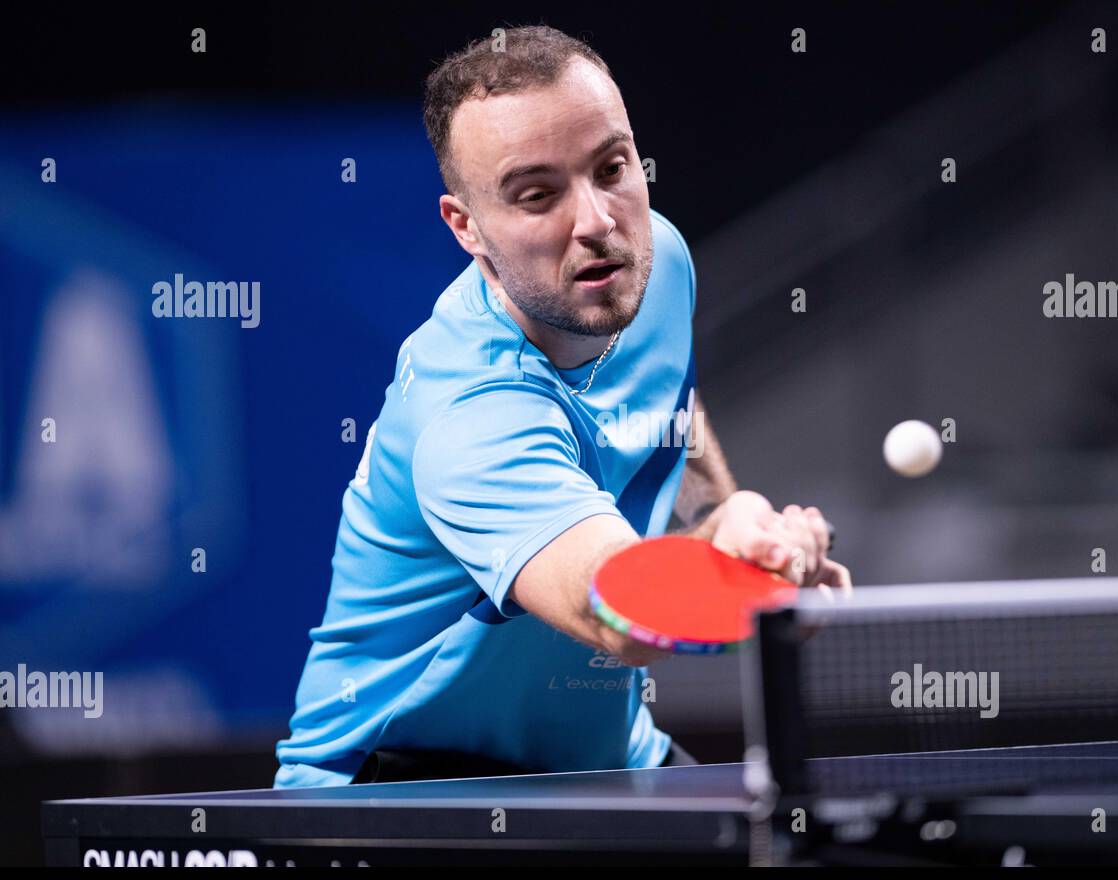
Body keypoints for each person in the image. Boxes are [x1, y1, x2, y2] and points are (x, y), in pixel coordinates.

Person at [274, 25, 850, 788]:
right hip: (399, 789)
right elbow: (618, 613)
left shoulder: (654, 266)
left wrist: (733, 520)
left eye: (611, 169)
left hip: (602, 761)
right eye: (538, 195)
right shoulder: (472, 417)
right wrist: (724, 560)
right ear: (466, 226)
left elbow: (668, 406)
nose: (597, 222)